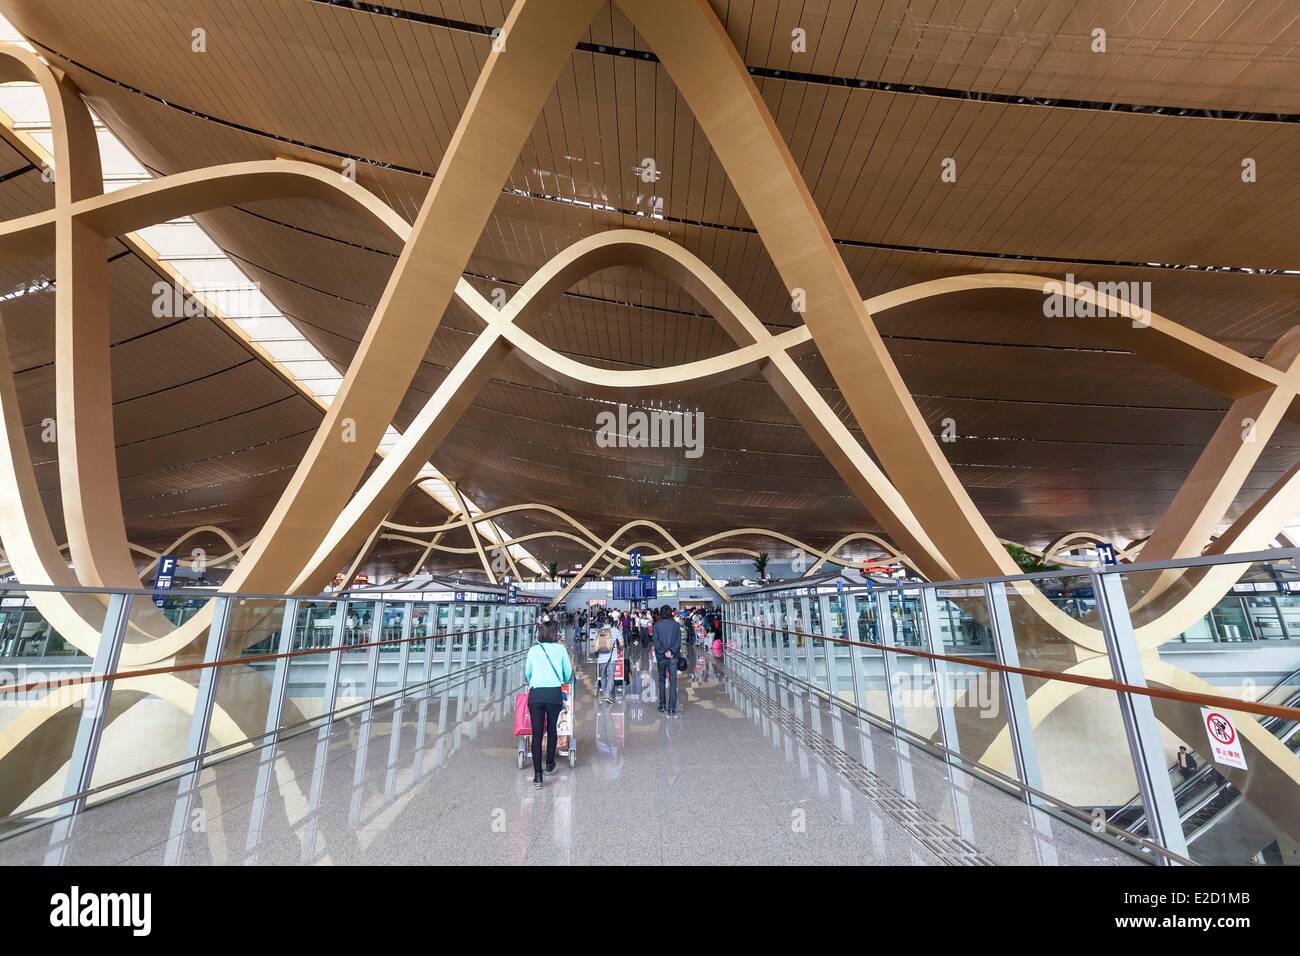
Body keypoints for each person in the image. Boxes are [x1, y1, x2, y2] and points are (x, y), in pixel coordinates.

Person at [524, 616, 574, 789]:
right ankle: (550, 764)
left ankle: (537, 776)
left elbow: (527, 674)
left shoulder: (533, 650)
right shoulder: (560, 649)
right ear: (554, 634)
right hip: (554, 694)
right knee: (552, 728)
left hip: (536, 695)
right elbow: (567, 673)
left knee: (537, 733)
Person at [652, 604, 681, 717]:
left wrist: (664, 651)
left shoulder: (657, 625)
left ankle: (662, 705)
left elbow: (656, 640)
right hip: (673, 657)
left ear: (660, 614)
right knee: (673, 681)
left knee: (661, 679)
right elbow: (678, 641)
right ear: (671, 613)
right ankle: (672, 708)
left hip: (661, 657)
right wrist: (671, 651)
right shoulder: (676, 625)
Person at [594, 625, 621, 704]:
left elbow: (595, 644)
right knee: (611, 676)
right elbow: (621, 643)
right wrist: (620, 648)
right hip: (612, 657)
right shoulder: (615, 630)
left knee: (603, 676)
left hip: (601, 658)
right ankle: (607, 695)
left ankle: (605, 694)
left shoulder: (599, 630)